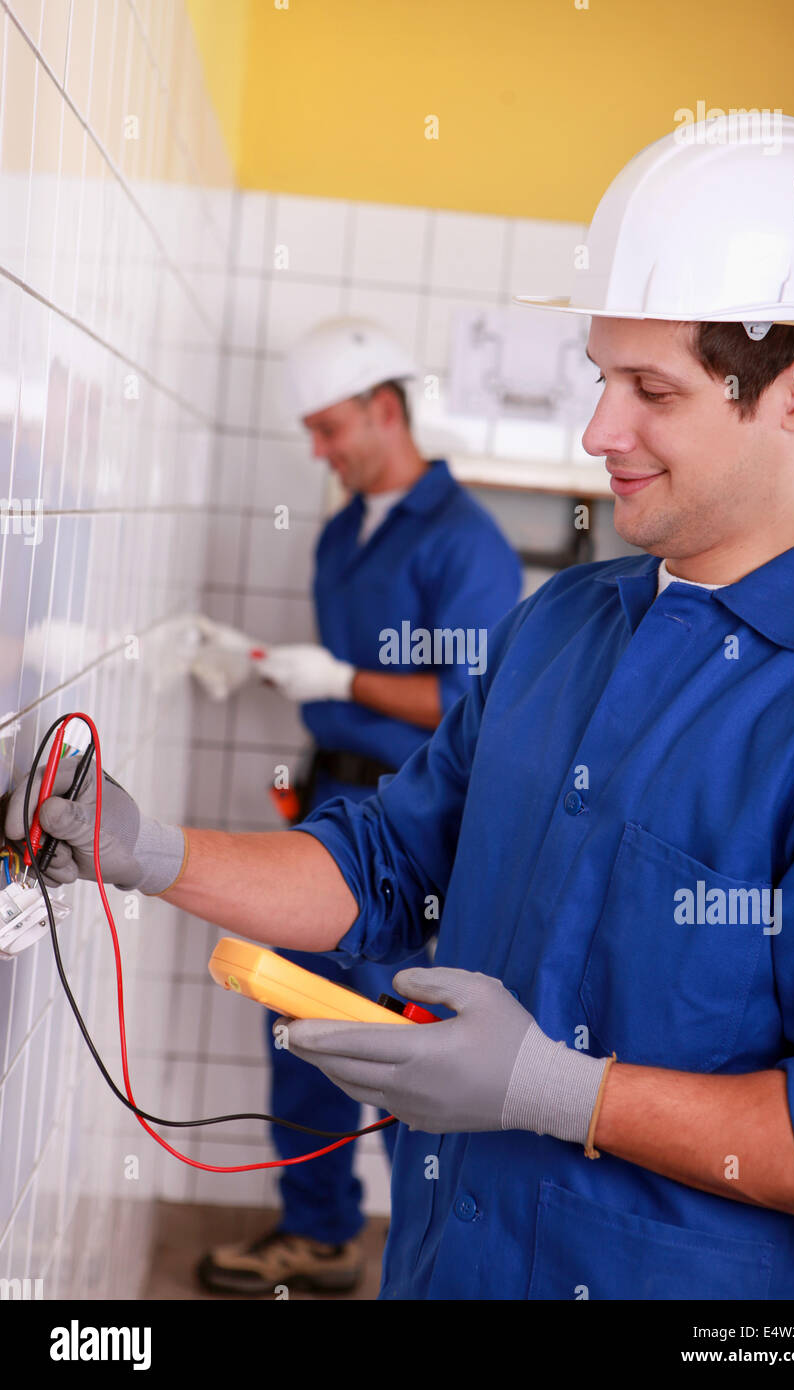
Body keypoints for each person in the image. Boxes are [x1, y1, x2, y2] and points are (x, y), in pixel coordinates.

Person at [7, 112, 794, 1300]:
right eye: (599, 378)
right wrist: (143, 851)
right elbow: (382, 862)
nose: (594, 432)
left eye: (649, 390)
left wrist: (556, 1091)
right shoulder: (561, 623)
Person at [194, 318, 523, 1293]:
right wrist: (255, 665)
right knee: (298, 1023)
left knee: (375, 1036)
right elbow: (352, 681)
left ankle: (401, 1253)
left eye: (331, 428)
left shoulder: (465, 539)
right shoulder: (343, 527)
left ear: (386, 409)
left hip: (407, 824)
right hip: (331, 798)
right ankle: (324, 1231)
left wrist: (335, 669)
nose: (320, 450)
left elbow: (463, 701)